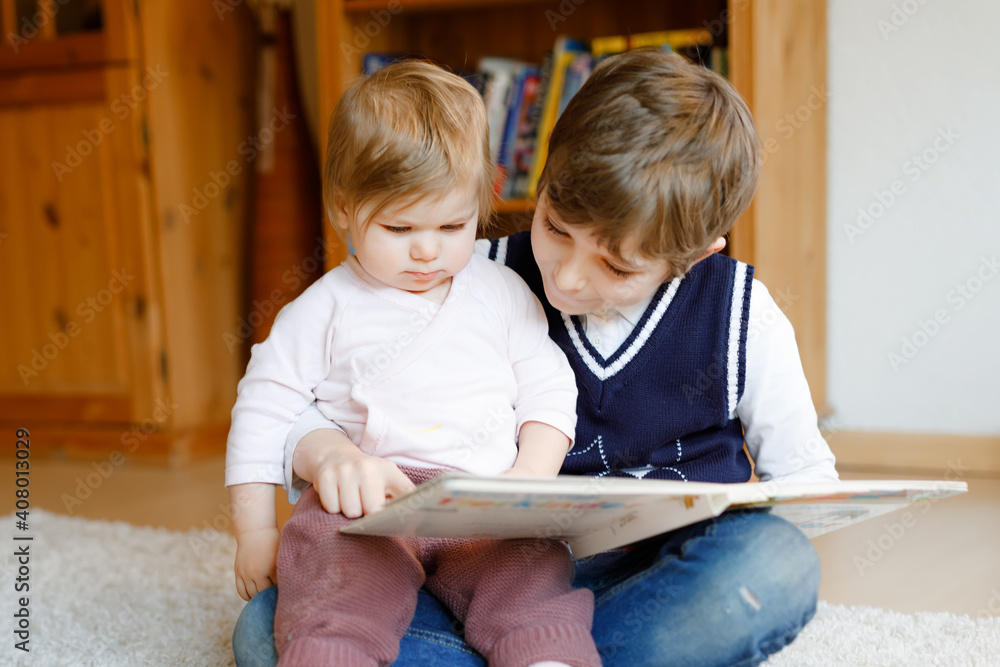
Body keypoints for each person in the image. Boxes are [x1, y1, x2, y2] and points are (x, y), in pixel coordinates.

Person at [232, 48, 839, 667]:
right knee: (267, 625)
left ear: (697, 255)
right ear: (540, 181)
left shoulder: (741, 315)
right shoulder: (467, 270)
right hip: (484, 574)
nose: (569, 279)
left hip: (651, 583)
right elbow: (302, 396)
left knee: (776, 562)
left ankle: (545, 650)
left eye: (617, 265)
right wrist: (329, 450)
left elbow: (806, 486)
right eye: (555, 227)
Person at [225, 60, 603, 667]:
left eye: (453, 224)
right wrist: (255, 531)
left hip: (484, 508)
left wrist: (527, 479)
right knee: (332, 580)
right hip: (369, 507)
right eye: (399, 227)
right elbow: (263, 409)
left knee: (533, 584)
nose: (428, 250)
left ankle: (545, 656)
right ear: (344, 209)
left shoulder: (502, 292)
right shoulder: (323, 309)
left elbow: (548, 387)